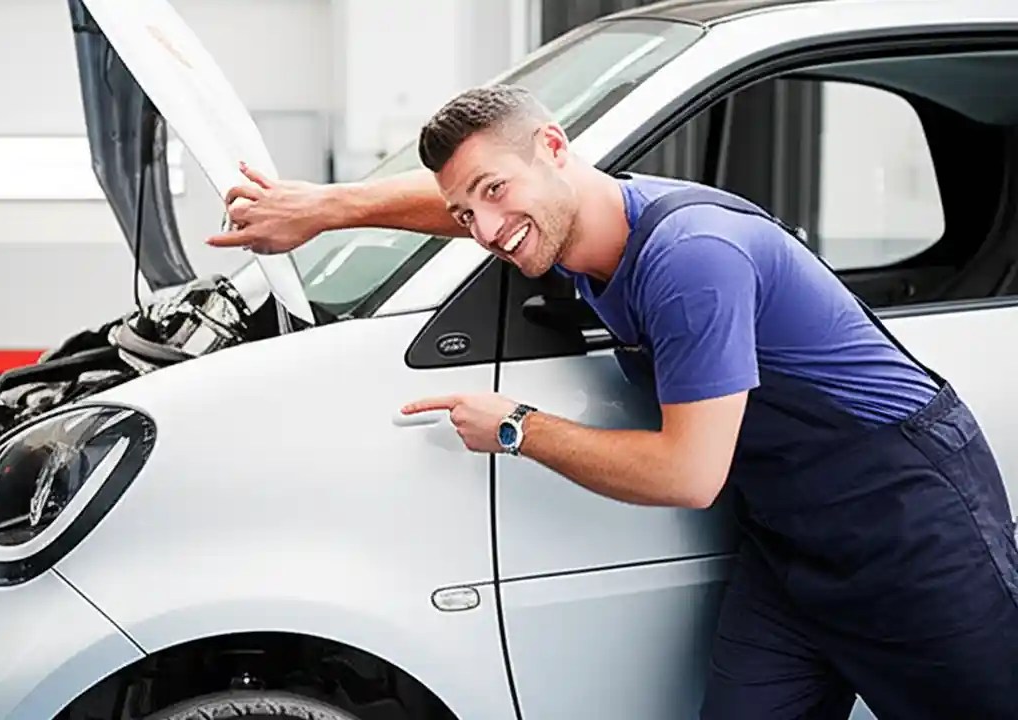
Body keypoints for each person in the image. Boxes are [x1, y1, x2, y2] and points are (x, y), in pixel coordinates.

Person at [209, 84, 1018, 718]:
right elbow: (480, 201)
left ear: (556, 149)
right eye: (468, 211)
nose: (487, 230)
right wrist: (324, 209)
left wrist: (519, 428)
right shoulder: (569, 224)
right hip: (790, 545)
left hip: (910, 530)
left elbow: (689, 473)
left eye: (494, 193)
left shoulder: (690, 260)